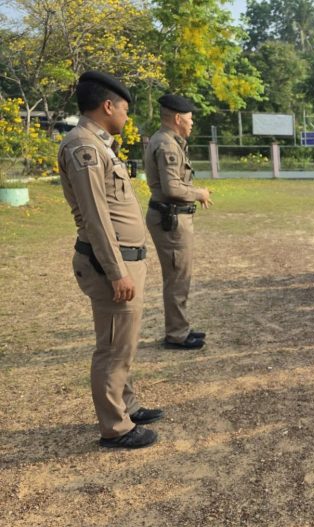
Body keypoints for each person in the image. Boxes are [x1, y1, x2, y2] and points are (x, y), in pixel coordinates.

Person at [59, 71, 162, 449]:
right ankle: (115, 427)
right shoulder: (83, 147)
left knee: (124, 342)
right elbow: (96, 217)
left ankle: (126, 404)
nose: (126, 117)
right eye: (124, 109)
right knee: (113, 346)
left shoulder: (99, 144)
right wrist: (117, 271)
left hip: (124, 260)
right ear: (107, 106)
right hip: (110, 264)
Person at [144, 94, 213, 350]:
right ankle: (176, 334)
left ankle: (180, 326)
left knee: (179, 275)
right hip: (170, 218)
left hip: (172, 216)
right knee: (177, 277)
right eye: (189, 118)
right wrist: (199, 193)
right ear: (177, 118)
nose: (192, 123)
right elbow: (172, 187)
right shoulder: (166, 144)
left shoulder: (169, 141)